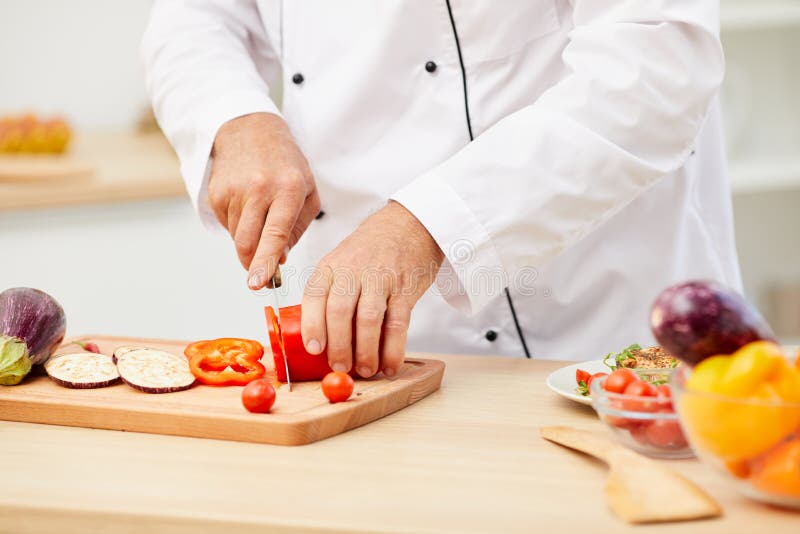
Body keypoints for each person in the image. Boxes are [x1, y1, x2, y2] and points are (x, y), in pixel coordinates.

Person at [141, 1, 741, 376]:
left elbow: (653, 70)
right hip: (379, 359)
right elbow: (196, 16)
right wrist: (235, 117)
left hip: (604, 317)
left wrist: (429, 225)